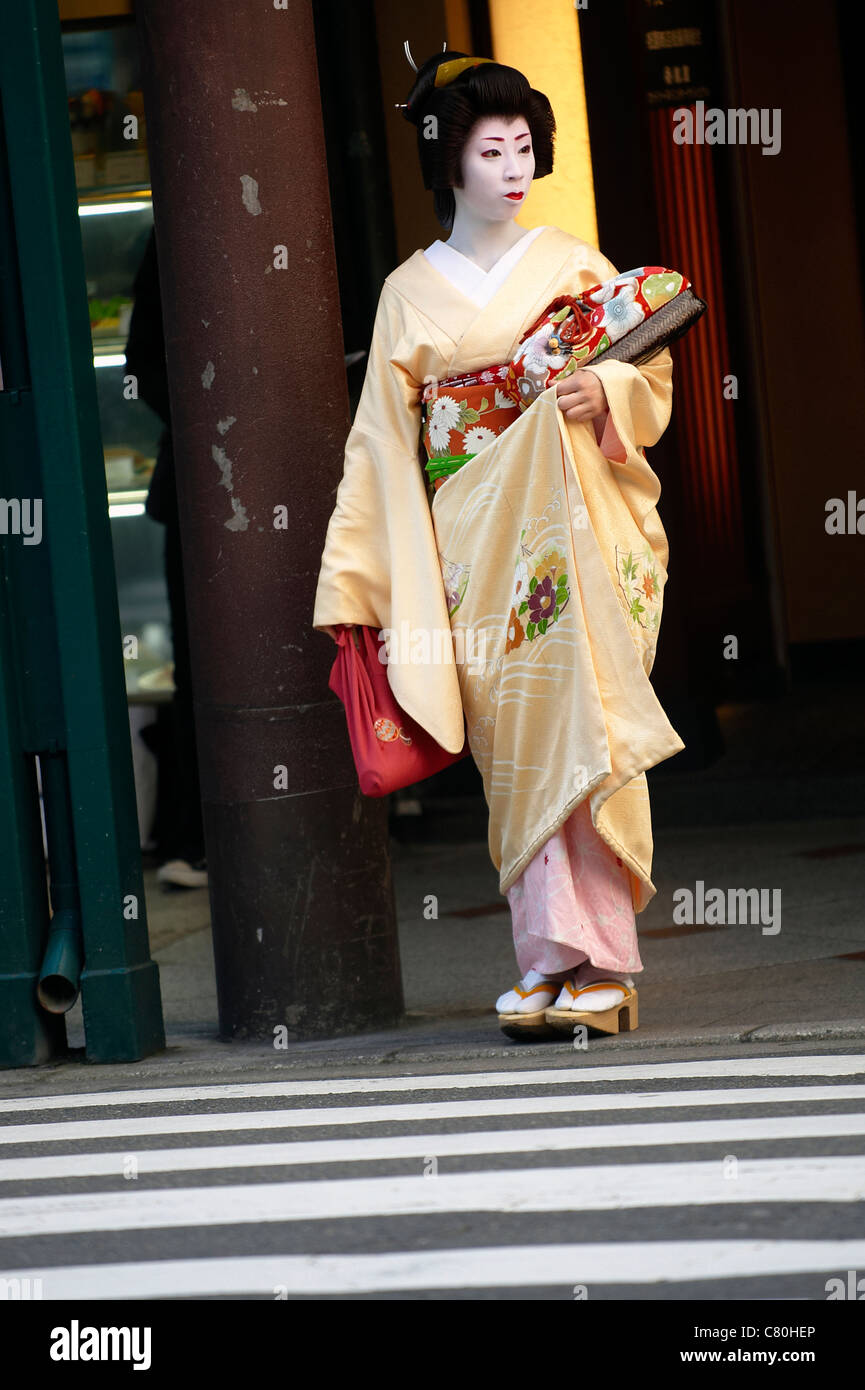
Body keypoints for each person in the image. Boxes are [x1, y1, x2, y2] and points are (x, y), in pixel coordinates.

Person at [313, 49, 685, 1039]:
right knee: (516, 745)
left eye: (524, 146)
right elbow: (382, 446)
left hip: (569, 530)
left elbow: (649, 379)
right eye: (490, 149)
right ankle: (544, 959)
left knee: (586, 721)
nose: (512, 167)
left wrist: (600, 390)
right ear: (449, 163)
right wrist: (360, 578)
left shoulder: (572, 265)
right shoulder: (407, 292)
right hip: (472, 545)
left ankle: (601, 962)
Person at [125, 228, 208, 890]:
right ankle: (190, 836)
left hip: (299, 471)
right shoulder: (171, 240)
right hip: (196, 483)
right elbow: (141, 362)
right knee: (201, 656)